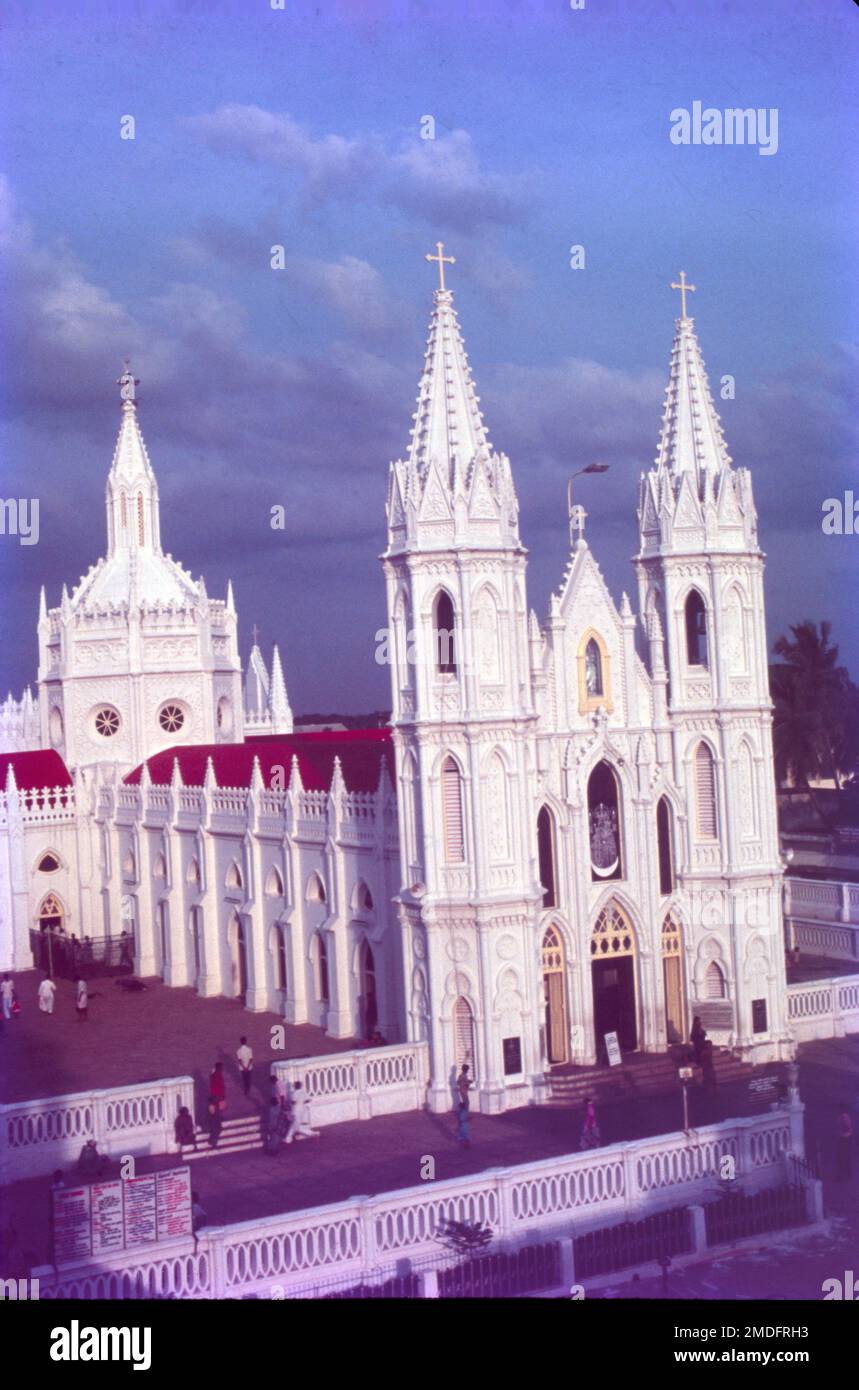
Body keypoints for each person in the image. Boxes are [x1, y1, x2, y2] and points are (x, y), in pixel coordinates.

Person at [836, 1103, 853, 1181]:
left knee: (843, 1157)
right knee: (844, 1158)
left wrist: (842, 1134)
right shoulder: (843, 1117)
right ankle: (846, 1175)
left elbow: (848, 1129)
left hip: (844, 1139)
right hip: (844, 1139)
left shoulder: (844, 1117)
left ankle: (843, 1175)